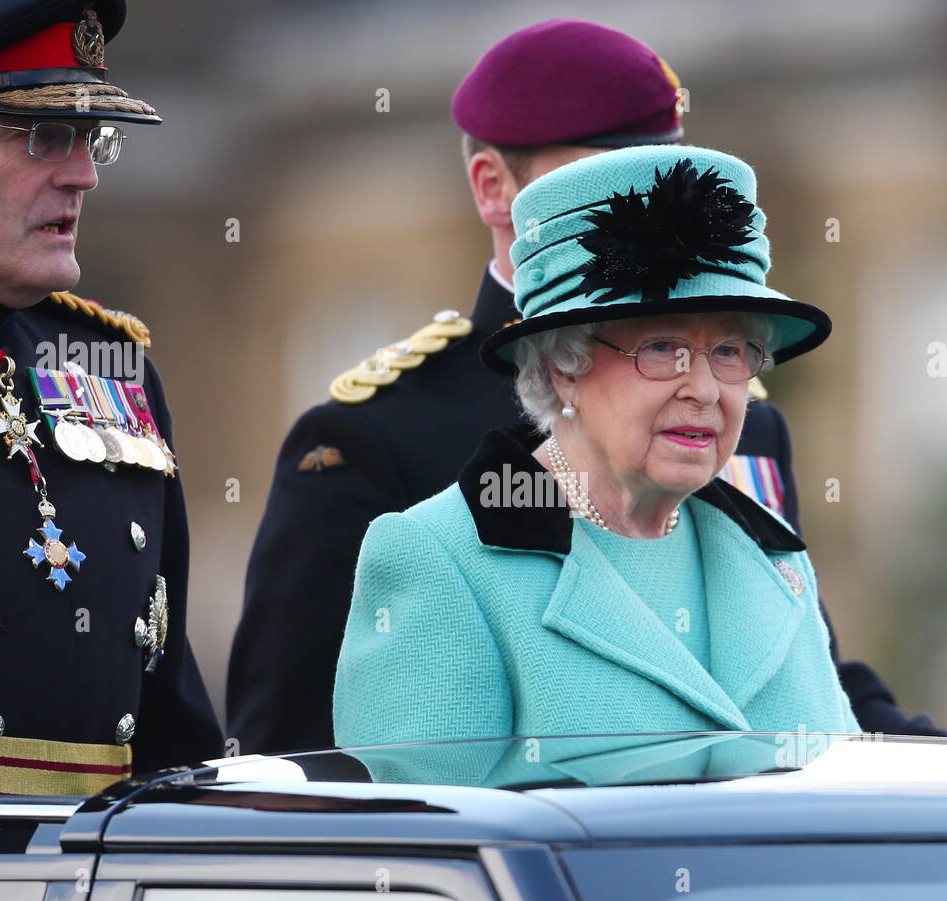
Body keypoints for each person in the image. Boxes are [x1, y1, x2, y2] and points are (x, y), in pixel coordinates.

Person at [229, 19, 947, 760]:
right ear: (492, 188)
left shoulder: (750, 464)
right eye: (660, 348)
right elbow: (308, 765)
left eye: (731, 351)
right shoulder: (383, 447)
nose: (649, 194)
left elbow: (810, 689)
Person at [335, 146, 861, 786]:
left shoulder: (776, 558)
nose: (704, 387)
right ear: (564, 366)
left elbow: (845, 797)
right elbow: (428, 852)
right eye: (662, 348)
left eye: (729, 350)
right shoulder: (441, 558)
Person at [0, 0, 221, 798]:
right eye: (42, 137)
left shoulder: (109, 366)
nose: (84, 175)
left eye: (90, 138)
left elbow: (169, 714)